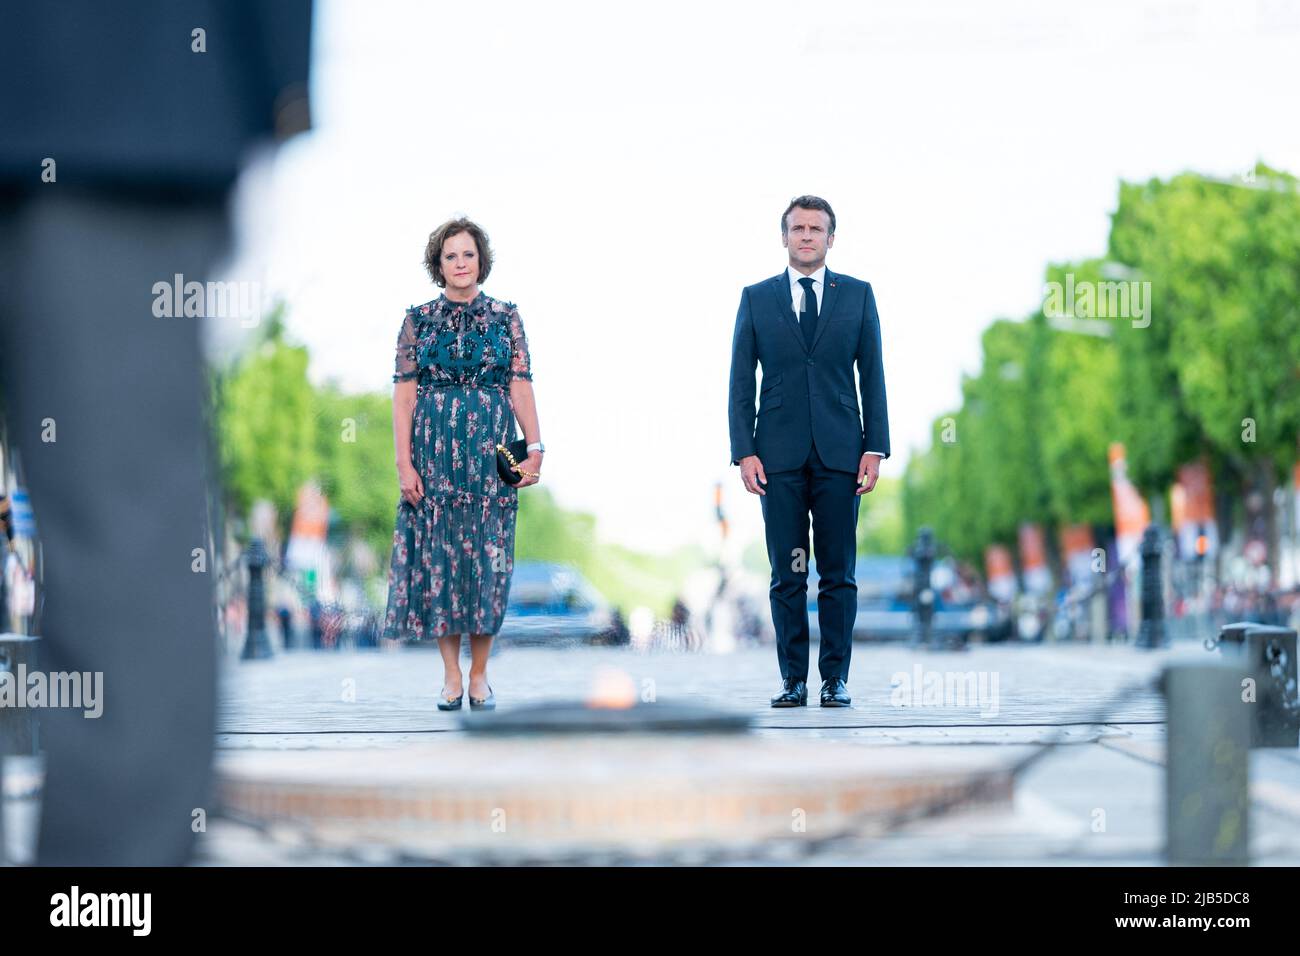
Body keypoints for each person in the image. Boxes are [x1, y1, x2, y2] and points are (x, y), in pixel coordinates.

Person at [0, 1, 313, 863]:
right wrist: (273, 95)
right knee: (121, 531)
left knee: (121, 536)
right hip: (102, 96)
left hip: (90, 102)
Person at [727, 195, 890, 708]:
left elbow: (874, 376)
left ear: (830, 238)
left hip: (843, 453)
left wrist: (876, 447)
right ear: (784, 237)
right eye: (797, 228)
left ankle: (835, 679)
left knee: (839, 573)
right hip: (777, 457)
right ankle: (793, 679)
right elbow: (739, 382)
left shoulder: (859, 296)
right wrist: (744, 451)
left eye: (815, 229)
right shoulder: (756, 298)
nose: (806, 236)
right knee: (788, 573)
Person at [382, 217, 543, 712]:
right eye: (450, 256)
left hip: (491, 454)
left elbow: (520, 384)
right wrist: (404, 462)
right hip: (433, 456)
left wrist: (535, 447)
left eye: (468, 254)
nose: (460, 263)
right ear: (439, 264)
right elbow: (404, 396)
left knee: (487, 565)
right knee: (442, 565)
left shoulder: (505, 317)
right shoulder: (417, 320)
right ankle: (451, 675)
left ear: (481, 261)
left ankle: (480, 675)